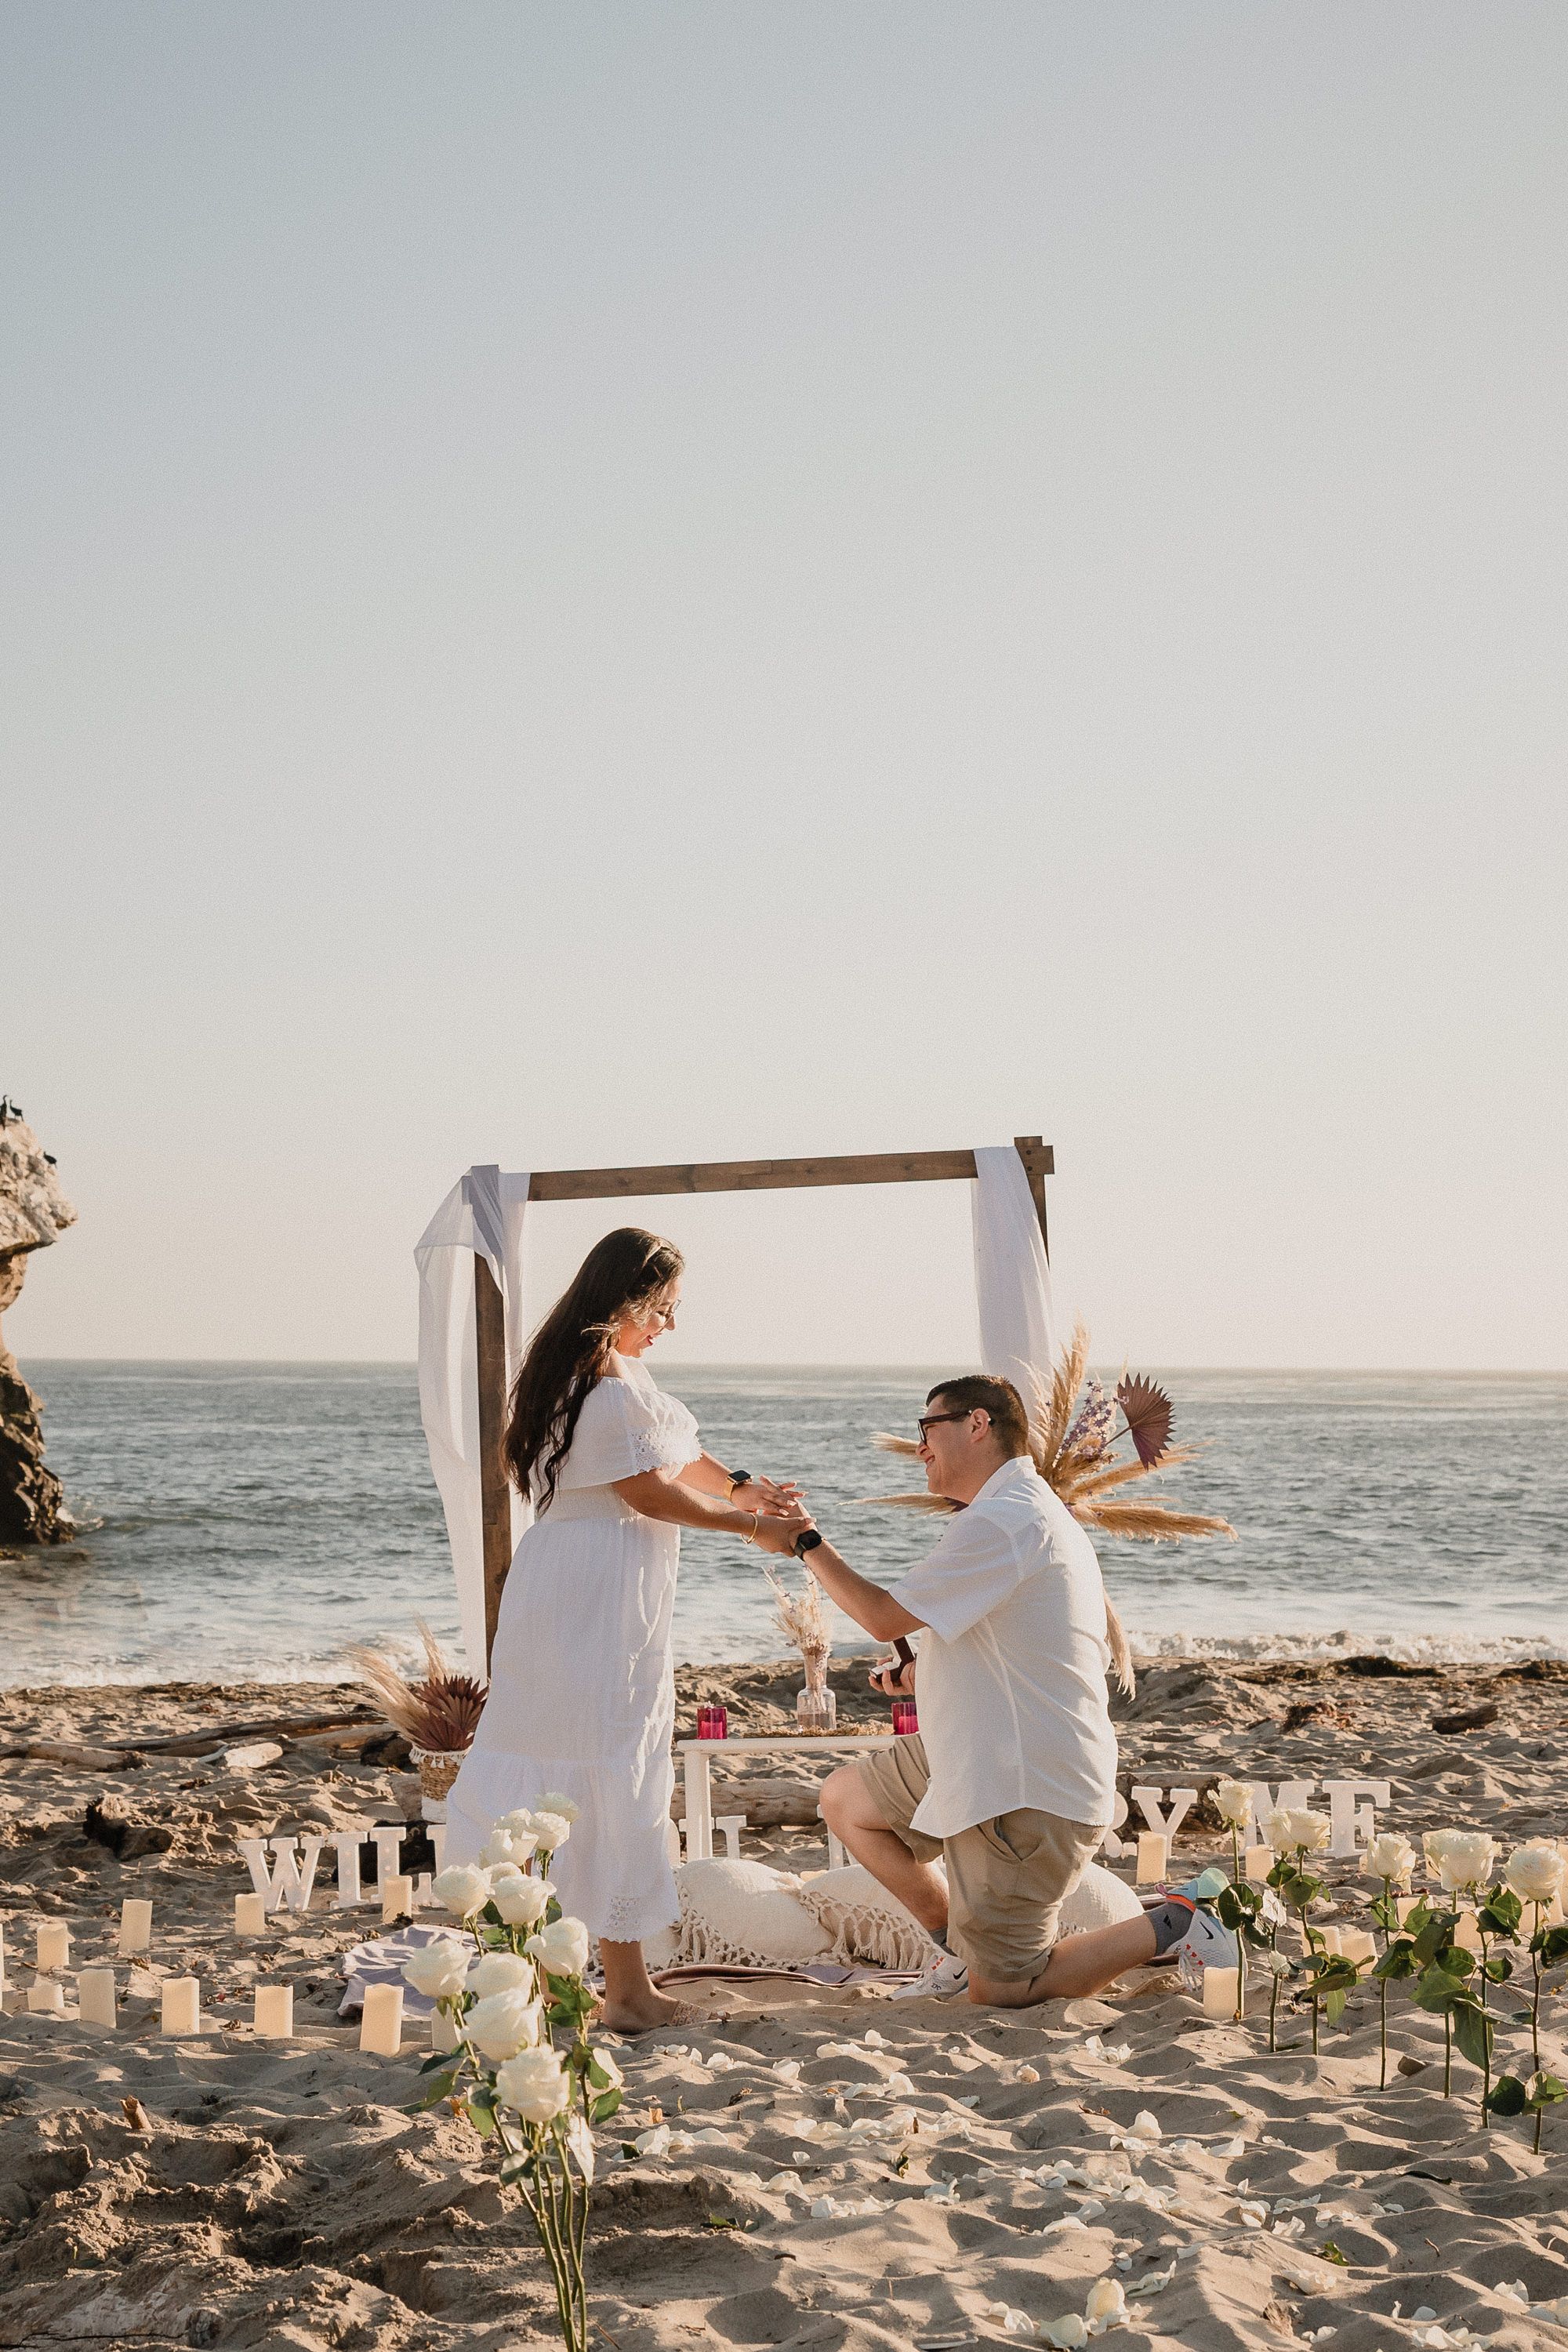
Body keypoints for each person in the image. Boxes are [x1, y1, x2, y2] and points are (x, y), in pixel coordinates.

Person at [445, 1226, 809, 2031]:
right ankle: (628, 1993)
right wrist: (755, 1533)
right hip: (594, 1594)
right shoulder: (601, 1392)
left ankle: (551, 1977)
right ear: (626, 1301)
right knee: (605, 1764)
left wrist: (749, 1491)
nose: (670, 1325)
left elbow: (686, 1459)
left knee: (585, 1765)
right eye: (665, 1307)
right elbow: (651, 1493)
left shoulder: (608, 1378)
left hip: (582, 1585)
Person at [811, 1374, 1235, 2006]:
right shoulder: (1013, 1514)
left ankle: (1181, 1919)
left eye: (928, 1428)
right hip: (980, 1754)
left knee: (1009, 1992)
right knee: (847, 1802)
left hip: (1024, 1784)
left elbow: (880, 1616)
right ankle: (959, 1947)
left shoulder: (1008, 1520)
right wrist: (915, 1676)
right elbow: (1012, 1651)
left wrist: (805, 1542)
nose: (919, 1444)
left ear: (977, 1424)